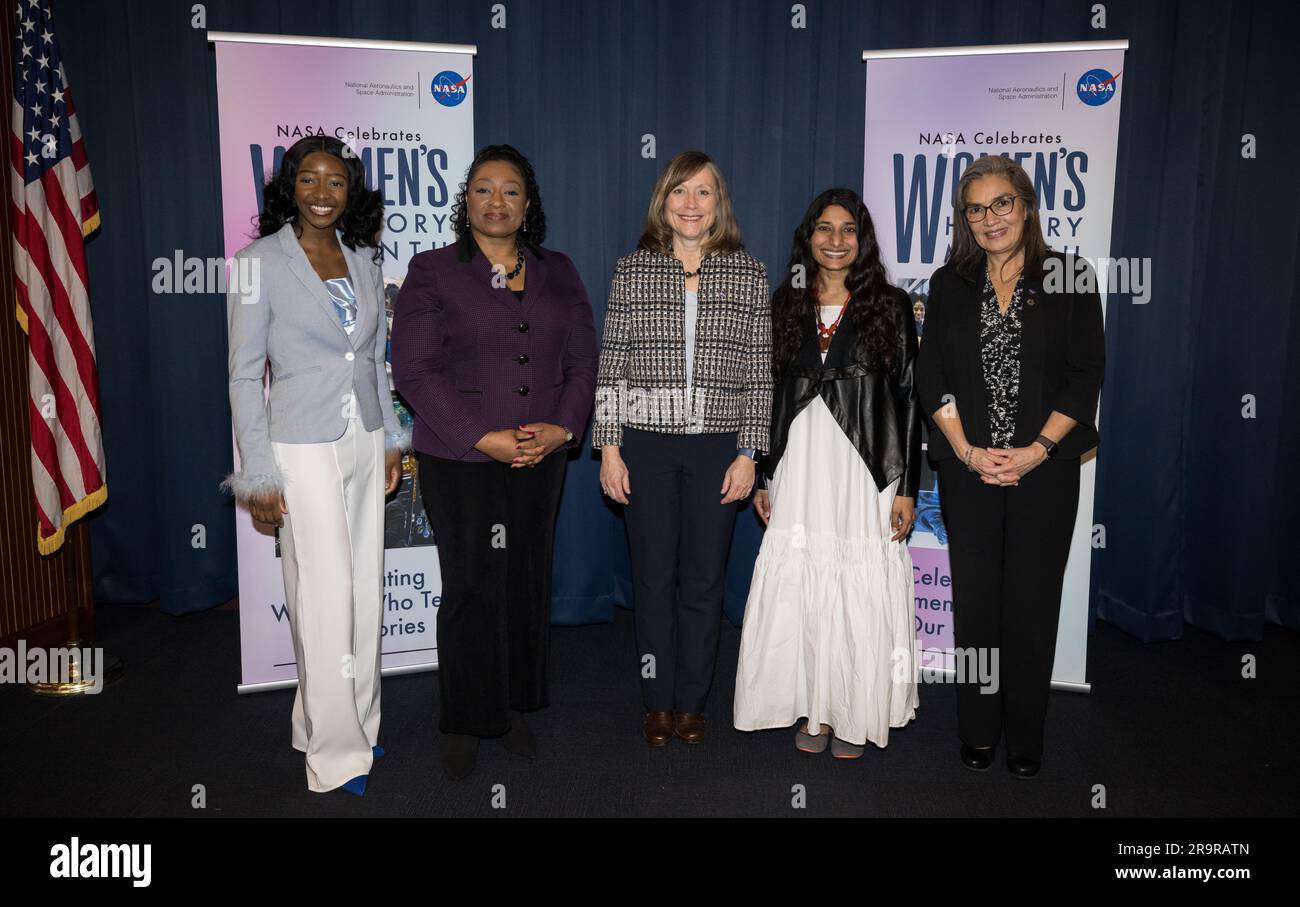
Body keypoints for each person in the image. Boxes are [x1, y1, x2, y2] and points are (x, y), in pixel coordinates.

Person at [391, 144, 597, 781]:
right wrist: (484, 436)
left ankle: (510, 705)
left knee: (525, 579)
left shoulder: (558, 269)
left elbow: (583, 359)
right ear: (466, 199)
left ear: (527, 205)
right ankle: (464, 718)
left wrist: (563, 427)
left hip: (542, 457)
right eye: (484, 188)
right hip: (461, 459)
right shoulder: (432, 271)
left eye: (511, 190)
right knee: (471, 585)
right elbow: (414, 371)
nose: (497, 201)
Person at [223, 135, 407, 796]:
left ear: (349, 190)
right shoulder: (258, 262)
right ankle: (334, 756)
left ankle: (350, 718)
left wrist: (389, 441)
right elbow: (245, 378)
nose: (323, 192)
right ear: (289, 187)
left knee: (362, 586)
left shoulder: (362, 259)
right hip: (299, 444)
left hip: (362, 437)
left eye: (336, 181)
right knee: (323, 597)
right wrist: (259, 474)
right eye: (309, 179)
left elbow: (373, 362)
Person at [915, 154, 1104, 778]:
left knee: (1031, 604)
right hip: (968, 473)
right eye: (976, 208)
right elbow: (933, 377)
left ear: (1025, 206)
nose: (990, 218)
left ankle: (1025, 736)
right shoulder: (948, 285)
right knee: (978, 606)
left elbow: (1084, 378)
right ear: (963, 220)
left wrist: (1037, 450)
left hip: (1044, 473)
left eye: (1002, 203)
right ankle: (978, 729)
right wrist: (967, 450)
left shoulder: (1070, 276)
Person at [733, 188, 921, 758]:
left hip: (865, 467)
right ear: (807, 236)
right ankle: (814, 710)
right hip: (801, 461)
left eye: (848, 230)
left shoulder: (889, 306)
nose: (835, 241)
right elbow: (767, 396)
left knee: (855, 576)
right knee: (804, 575)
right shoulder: (785, 301)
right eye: (824, 228)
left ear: (861, 241)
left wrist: (908, 487)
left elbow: (911, 397)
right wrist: (766, 474)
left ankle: (852, 712)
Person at [593, 151, 772, 746]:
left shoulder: (748, 273)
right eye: (680, 192)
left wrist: (750, 453)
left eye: (704, 193)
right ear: (662, 202)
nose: (691, 204)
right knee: (651, 578)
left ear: (719, 204)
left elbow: (759, 372)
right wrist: (610, 448)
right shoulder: (632, 270)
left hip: (719, 449)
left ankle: (692, 703)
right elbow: (611, 365)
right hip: (644, 445)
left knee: (703, 580)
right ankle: (656, 701)